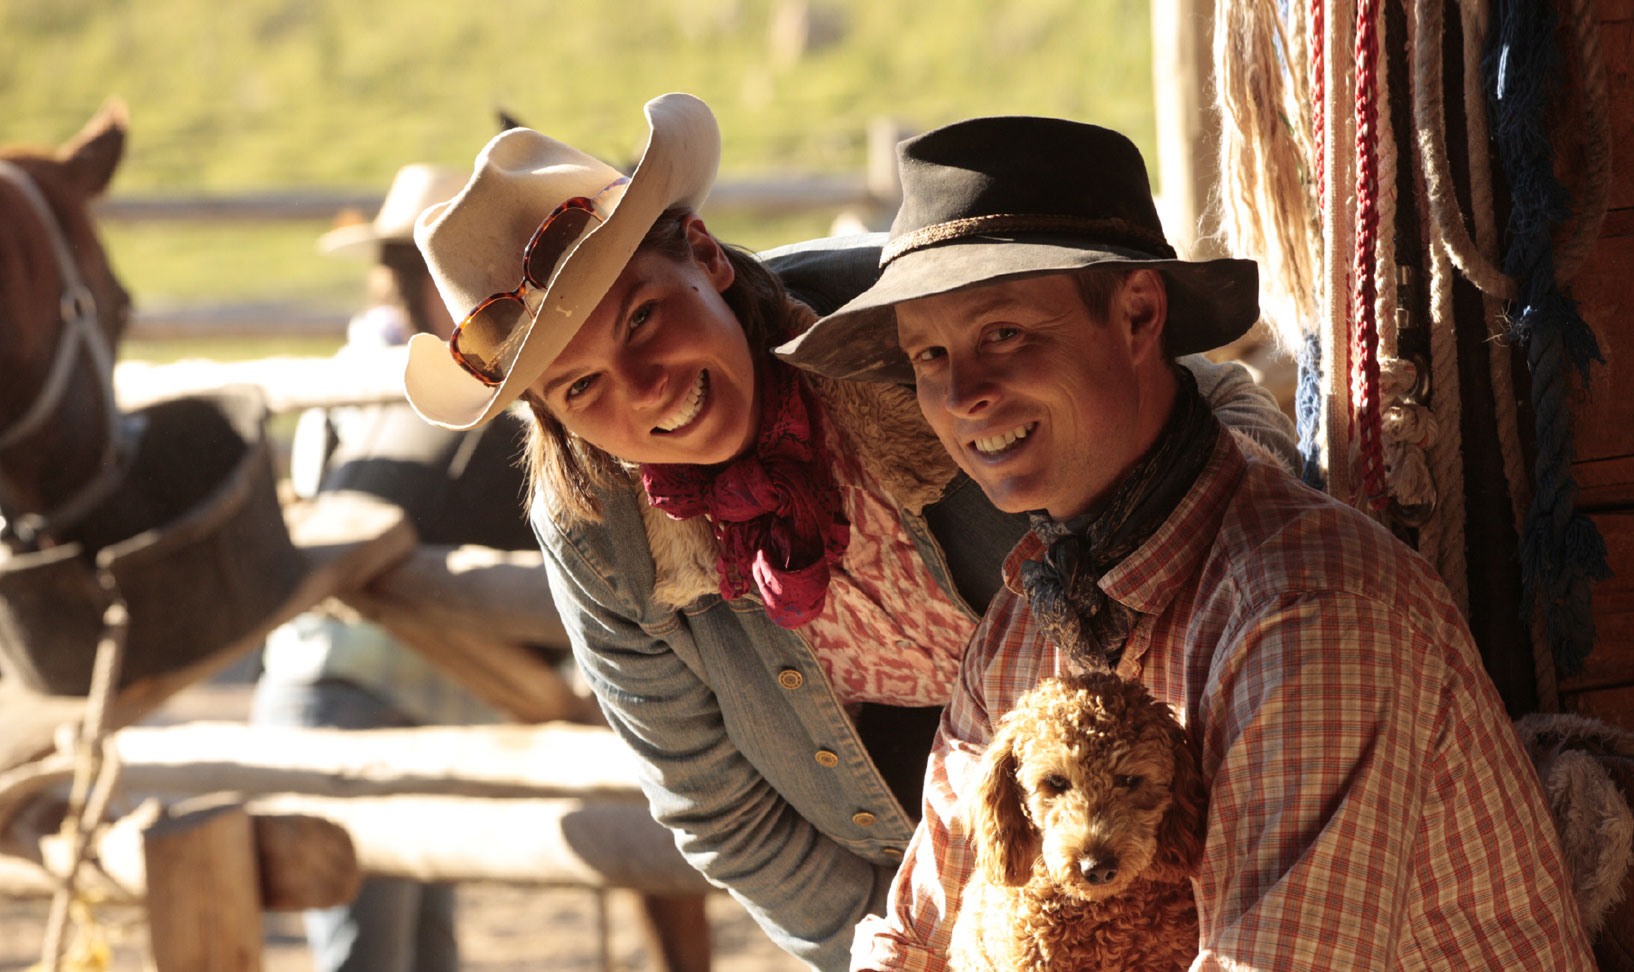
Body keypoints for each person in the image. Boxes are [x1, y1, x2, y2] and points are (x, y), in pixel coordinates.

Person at [399, 93, 1298, 972]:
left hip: (1167, 823)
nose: (644, 386)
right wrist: (912, 948)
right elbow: (718, 808)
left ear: (704, 255)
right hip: (908, 880)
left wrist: (1258, 578)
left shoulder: (905, 304)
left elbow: (1203, 398)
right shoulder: (599, 528)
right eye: (582, 388)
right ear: (555, 420)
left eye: (642, 318)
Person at [773, 115, 1599, 970]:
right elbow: (917, 936)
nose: (963, 394)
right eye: (930, 356)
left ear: (1137, 314)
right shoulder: (1028, 620)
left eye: (1004, 335)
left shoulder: (1308, 618)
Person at [252, 163, 535, 972]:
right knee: (372, 957)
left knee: (420, 951)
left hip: (393, 699)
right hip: (356, 693)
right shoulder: (431, 387)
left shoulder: (360, 378)